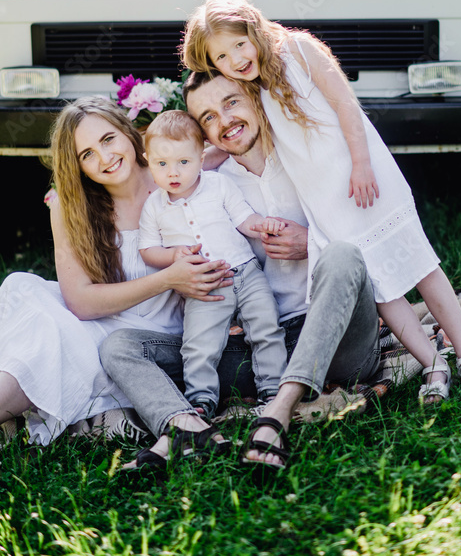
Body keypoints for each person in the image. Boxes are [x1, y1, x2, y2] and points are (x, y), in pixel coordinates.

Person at [181, 0, 461, 419]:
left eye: (239, 43)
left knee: (419, 265)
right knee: (381, 288)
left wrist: (362, 164)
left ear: (254, 28)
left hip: (361, 176)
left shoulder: (298, 50)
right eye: (221, 56)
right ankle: (432, 363)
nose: (235, 58)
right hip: (325, 201)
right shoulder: (248, 90)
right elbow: (225, 144)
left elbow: (345, 103)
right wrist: (183, 165)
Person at [101, 72, 387, 474]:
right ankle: (186, 424)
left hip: (331, 341)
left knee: (340, 253)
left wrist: (312, 243)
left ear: (256, 98)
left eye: (232, 102)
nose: (224, 120)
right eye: (209, 117)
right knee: (119, 346)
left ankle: (277, 413)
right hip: (246, 347)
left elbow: (373, 241)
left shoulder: (310, 154)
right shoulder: (217, 180)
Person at [0, 97, 233, 481]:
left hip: (146, 335)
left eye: (109, 139)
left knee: (52, 333)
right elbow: (79, 301)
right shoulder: (71, 204)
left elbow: (227, 150)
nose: (106, 157)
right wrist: (166, 278)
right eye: (88, 154)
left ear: (130, 133)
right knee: (19, 286)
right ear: (77, 165)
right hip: (98, 311)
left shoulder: (173, 171)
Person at [138, 109, 287, 420]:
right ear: (147, 160)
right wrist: (173, 254)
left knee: (266, 325)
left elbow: (243, 219)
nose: (173, 173)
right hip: (204, 285)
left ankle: (273, 389)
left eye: (183, 162)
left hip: (246, 273)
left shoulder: (219, 185)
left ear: (201, 158)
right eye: (161, 164)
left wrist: (263, 224)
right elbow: (148, 249)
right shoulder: (154, 206)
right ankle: (201, 399)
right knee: (198, 343)